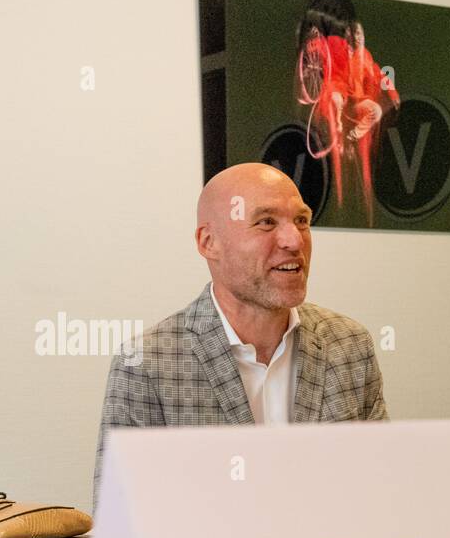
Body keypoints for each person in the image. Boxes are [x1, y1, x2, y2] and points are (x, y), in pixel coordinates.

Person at [92, 163, 389, 507]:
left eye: (302, 221)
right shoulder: (147, 364)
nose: (294, 240)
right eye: (266, 222)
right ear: (209, 242)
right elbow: (120, 522)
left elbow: (379, 491)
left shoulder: (349, 345)